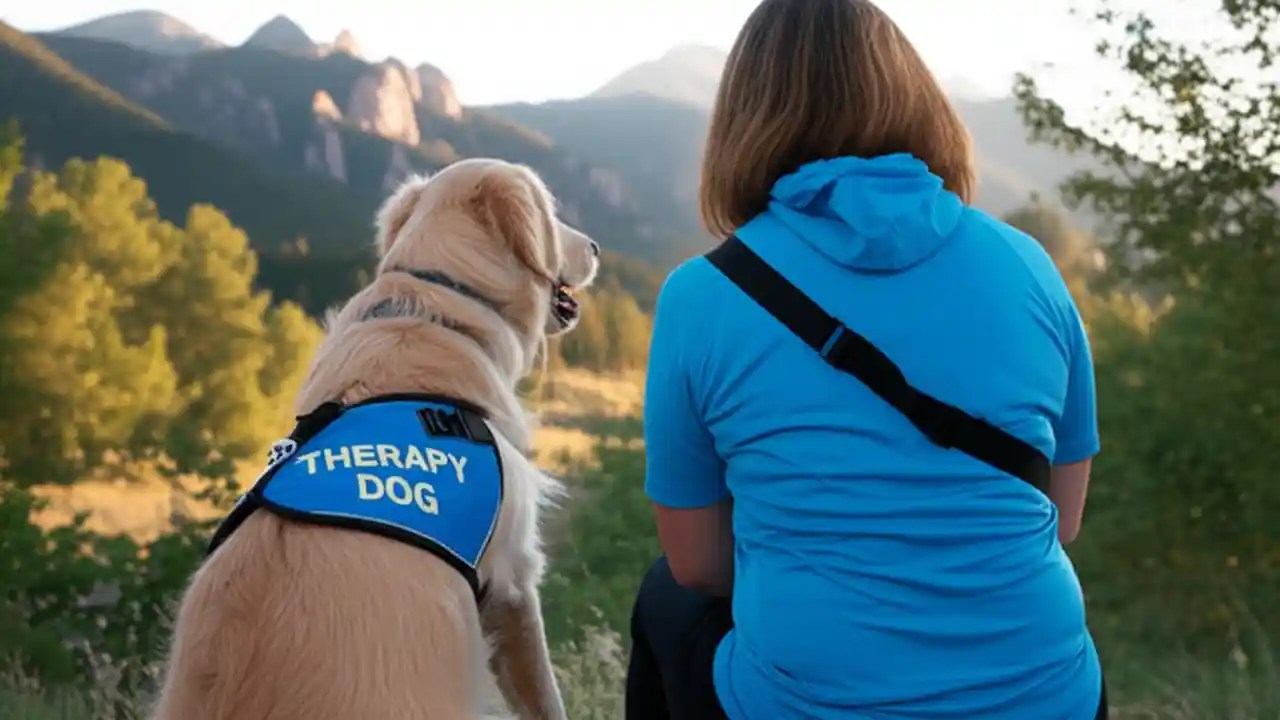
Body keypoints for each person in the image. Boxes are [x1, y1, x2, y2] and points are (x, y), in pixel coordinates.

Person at [625, 0, 1106, 718]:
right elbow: (1060, 520)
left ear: (745, 118)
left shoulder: (701, 295)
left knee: (665, 595)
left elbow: (698, 564)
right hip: (1049, 698)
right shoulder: (1029, 266)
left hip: (807, 703)